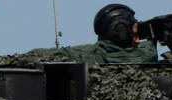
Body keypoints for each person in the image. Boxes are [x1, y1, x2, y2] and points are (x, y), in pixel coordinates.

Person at [23, 4, 158, 64]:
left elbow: (40, 54)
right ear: (120, 31)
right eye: (134, 35)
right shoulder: (142, 56)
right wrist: (155, 40)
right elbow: (145, 55)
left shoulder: (87, 54)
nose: (138, 41)